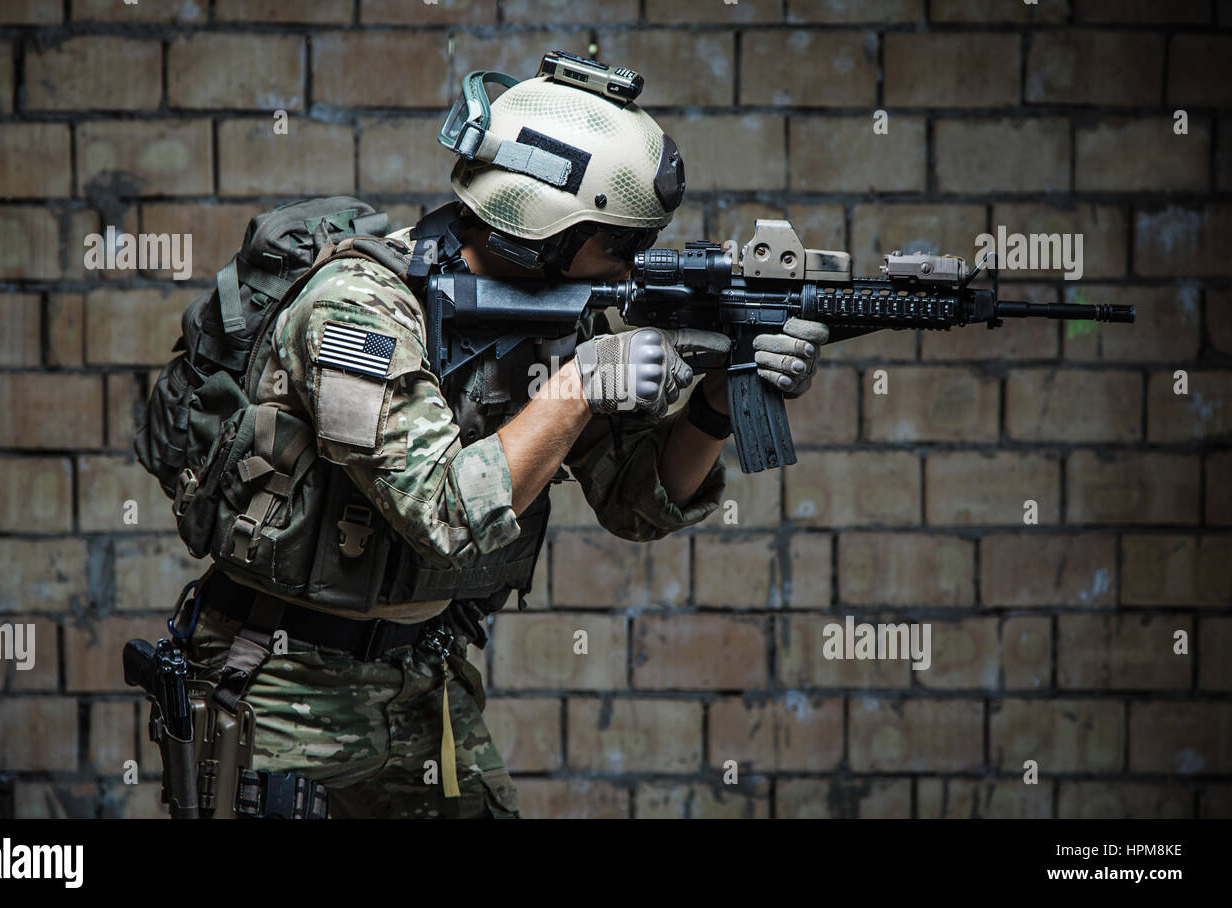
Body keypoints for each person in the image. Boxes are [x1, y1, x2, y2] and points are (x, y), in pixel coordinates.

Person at [178, 52, 829, 818]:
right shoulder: (356, 311)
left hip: (424, 677)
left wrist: (715, 404)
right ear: (542, 228)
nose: (633, 263)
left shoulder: (564, 317)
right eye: (616, 242)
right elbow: (444, 515)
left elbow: (636, 501)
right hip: (278, 685)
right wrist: (582, 383)